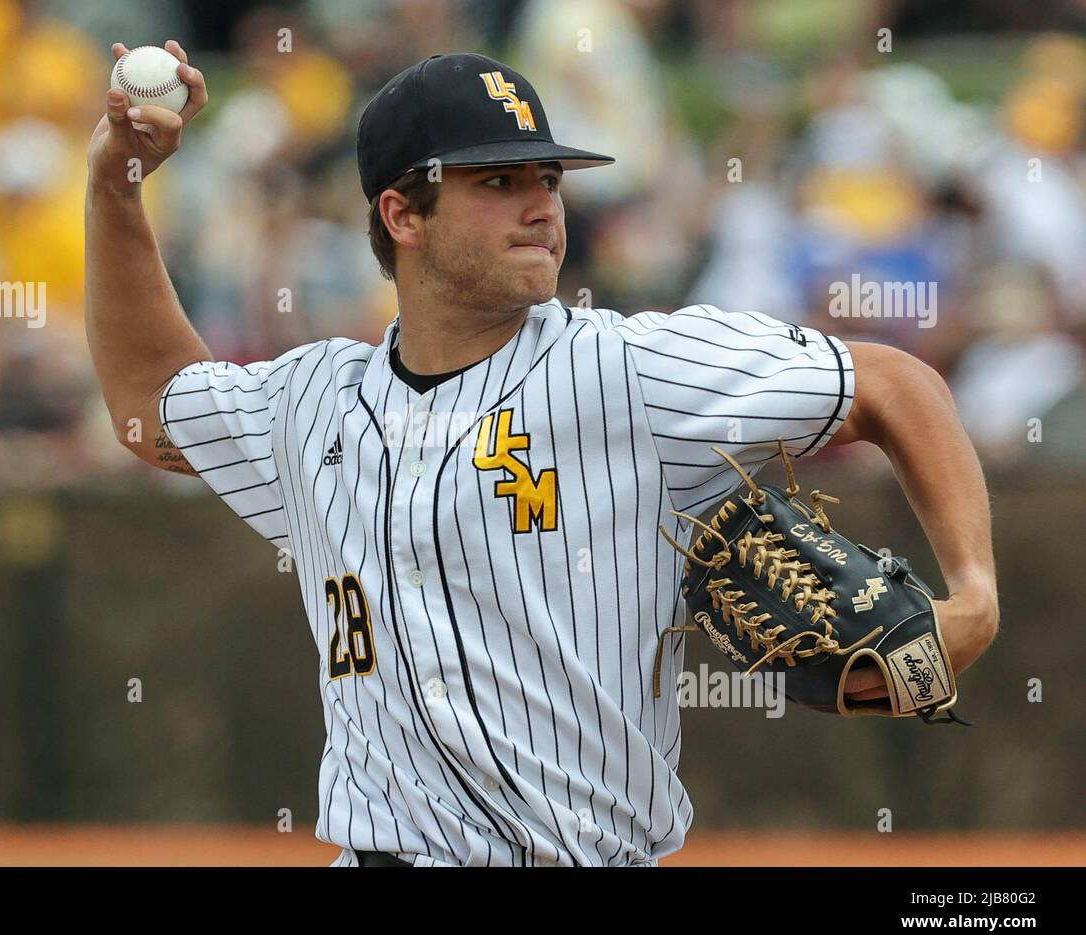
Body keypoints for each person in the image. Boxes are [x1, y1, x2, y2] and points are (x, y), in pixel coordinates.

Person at [84, 44, 1000, 866]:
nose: (542, 206)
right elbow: (146, 406)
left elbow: (892, 384)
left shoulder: (631, 370)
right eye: (499, 181)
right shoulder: (309, 402)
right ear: (402, 212)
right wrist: (116, 186)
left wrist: (975, 595)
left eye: (548, 179)